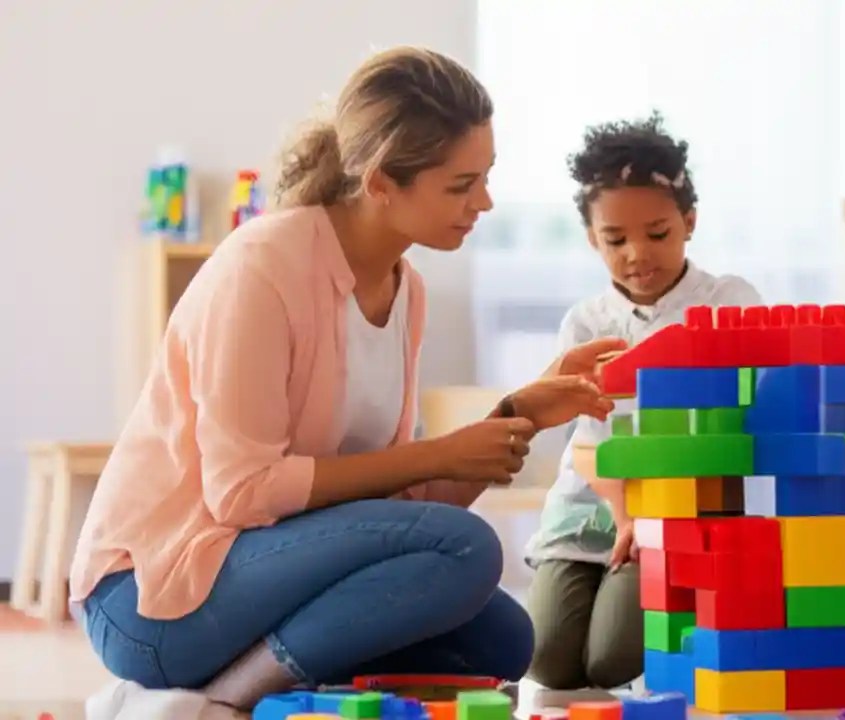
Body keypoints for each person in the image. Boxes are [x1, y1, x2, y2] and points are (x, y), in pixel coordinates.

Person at [71, 46, 624, 720]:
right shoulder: (261, 269)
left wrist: (518, 414)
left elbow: (396, 500)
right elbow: (242, 491)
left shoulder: (405, 290)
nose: (483, 201)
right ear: (383, 182)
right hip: (155, 599)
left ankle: (262, 676)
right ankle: (217, 702)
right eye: (460, 185)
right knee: (469, 549)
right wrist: (441, 452)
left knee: (501, 637)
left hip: (263, 574)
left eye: (486, 176)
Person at [521, 112, 762, 691]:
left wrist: (652, 518)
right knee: (549, 662)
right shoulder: (585, 322)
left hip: (678, 507)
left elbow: (747, 424)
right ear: (591, 238)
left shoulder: (728, 300)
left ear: (689, 222)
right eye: (615, 239)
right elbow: (586, 445)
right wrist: (625, 513)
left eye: (657, 233)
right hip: (593, 502)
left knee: (612, 661)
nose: (637, 254)